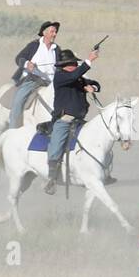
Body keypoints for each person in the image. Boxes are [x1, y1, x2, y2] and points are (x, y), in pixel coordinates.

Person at [44, 47, 101, 195]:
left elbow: (95, 83)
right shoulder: (61, 77)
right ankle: (51, 179)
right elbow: (77, 73)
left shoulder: (76, 77)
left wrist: (92, 87)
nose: (75, 66)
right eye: (72, 64)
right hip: (64, 120)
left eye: (76, 64)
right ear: (64, 66)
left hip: (79, 120)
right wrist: (89, 60)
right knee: (56, 146)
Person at [9, 20, 60, 128]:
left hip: (51, 82)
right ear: (44, 33)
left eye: (55, 32)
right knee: (19, 100)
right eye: (52, 32)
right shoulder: (34, 45)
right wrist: (28, 64)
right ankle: (12, 128)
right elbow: (19, 58)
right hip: (33, 80)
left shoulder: (57, 49)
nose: (55, 34)